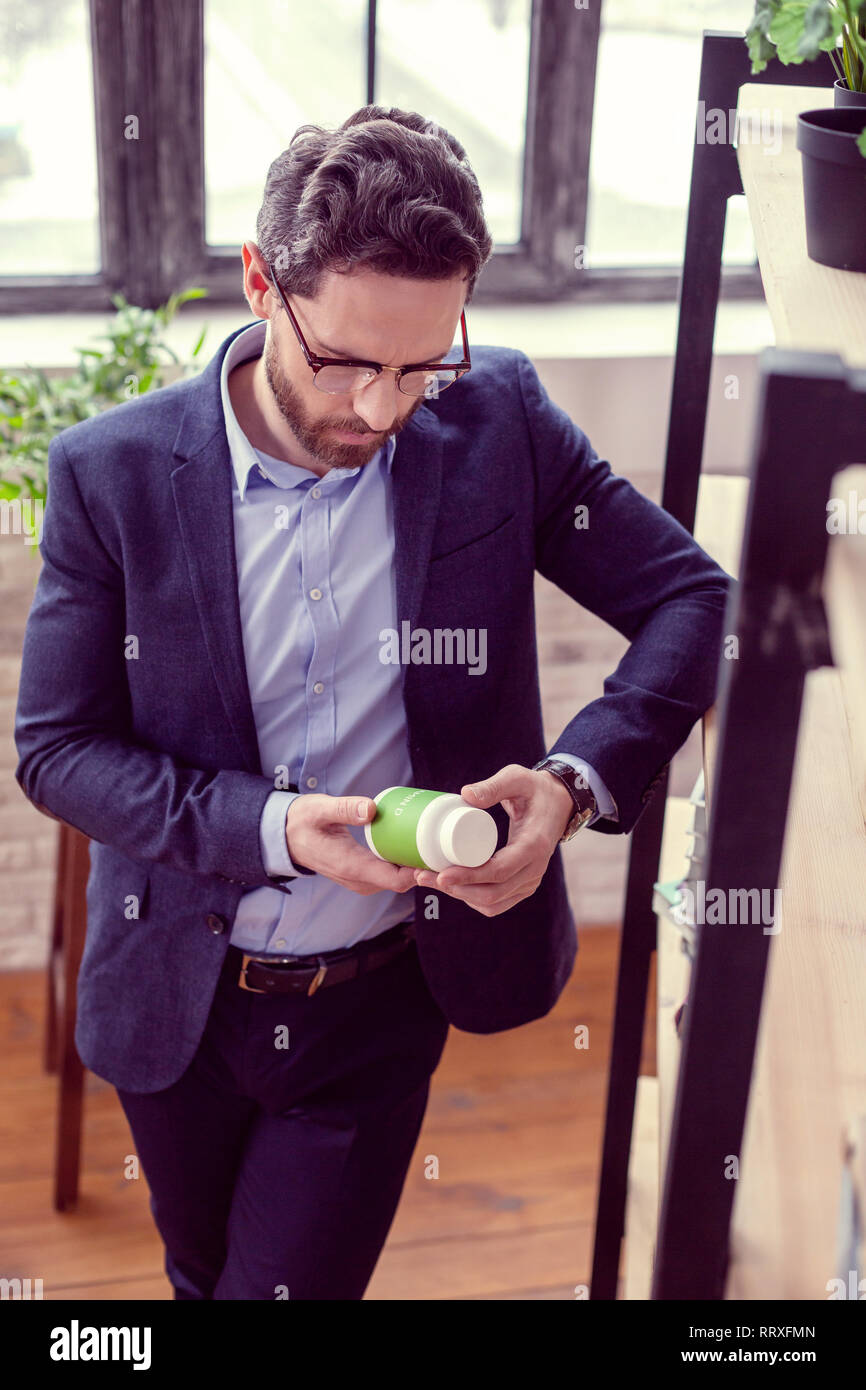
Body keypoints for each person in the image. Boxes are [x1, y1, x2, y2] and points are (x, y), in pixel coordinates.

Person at [14, 105, 732, 1300]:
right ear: (260, 284)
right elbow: (56, 750)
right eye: (345, 361)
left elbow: (687, 598)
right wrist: (266, 828)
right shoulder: (115, 473)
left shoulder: (495, 417)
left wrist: (569, 786)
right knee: (198, 1275)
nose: (386, 408)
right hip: (173, 1005)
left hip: (385, 998)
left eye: (421, 361)